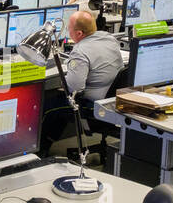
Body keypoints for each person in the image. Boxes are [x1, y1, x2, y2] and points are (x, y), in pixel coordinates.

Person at [39, 11, 123, 154]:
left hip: (93, 104)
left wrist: (62, 80)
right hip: (112, 99)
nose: (67, 30)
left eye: (69, 28)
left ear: (79, 33)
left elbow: (74, 88)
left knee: (49, 106)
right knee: (59, 101)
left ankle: (41, 150)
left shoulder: (80, 51)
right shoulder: (109, 38)